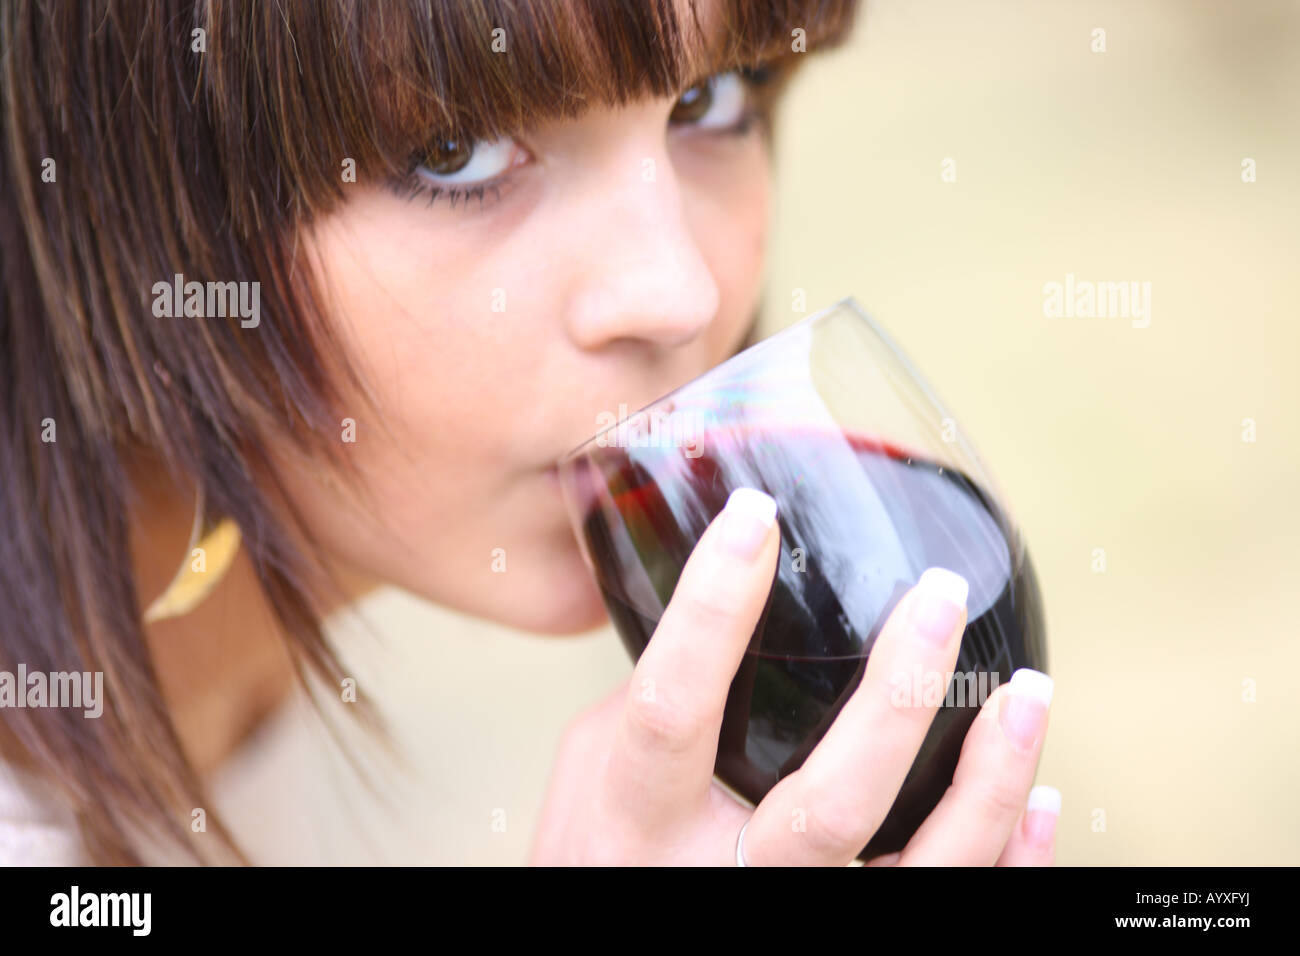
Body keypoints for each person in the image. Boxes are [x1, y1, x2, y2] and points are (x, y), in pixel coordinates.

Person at [0, 0, 1056, 865]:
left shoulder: (213, 648)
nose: (678, 291)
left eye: (711, 97)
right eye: (453, 150)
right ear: (104, 205)